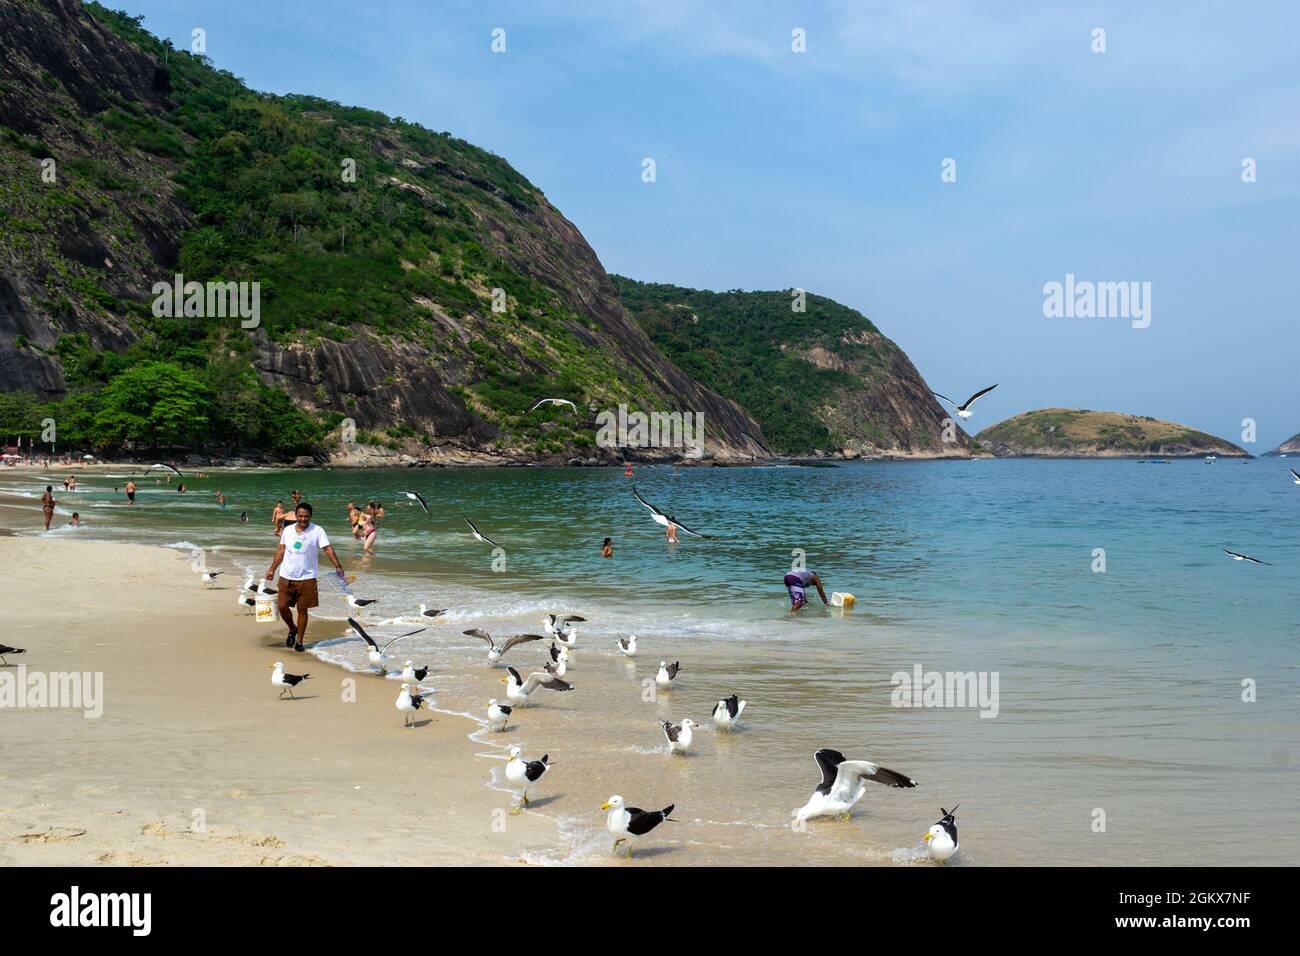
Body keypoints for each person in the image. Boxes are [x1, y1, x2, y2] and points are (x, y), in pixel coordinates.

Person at [265, 502, 345, 653]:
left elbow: (327, 549)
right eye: (300, 516)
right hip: (286, 576)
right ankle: (292, 628)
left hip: (307, 578)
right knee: (282, 606)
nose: (303, 519)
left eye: (306, 516)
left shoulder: (318, 531)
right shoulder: (287, 530)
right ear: (296, 516)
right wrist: (272, 569)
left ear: (310, 516)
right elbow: (280, 551)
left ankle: (300, 641)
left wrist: (338, 565)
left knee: (302, 610)